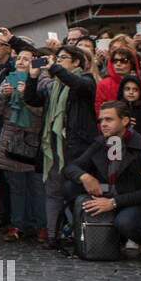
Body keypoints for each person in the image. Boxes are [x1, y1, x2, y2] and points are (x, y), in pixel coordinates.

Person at [24, 45, 99, 249]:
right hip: (55, 146)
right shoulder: (52, 86)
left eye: (63, 58)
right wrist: (32, 77)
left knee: (74, 191)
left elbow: (76, 83)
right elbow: (31, 99)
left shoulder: (86, 81)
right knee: (53, 190)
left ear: (77, 62)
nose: (58, 62)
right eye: (57, 58)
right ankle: (52, 236)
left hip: (78, 147)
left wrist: (55, 68)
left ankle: (83, 235)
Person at [62, 100, 141, 254]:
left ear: (125, 121)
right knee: (70, 187)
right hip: (107, 193)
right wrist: (84, 176)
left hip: (132, 201)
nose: (103, 124)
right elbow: (72, 167)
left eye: (109, 120)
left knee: (126, 222)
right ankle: (91, 230)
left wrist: (113, 202)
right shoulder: (101, 142)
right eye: (101, 120)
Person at [0, 49, 45, 243]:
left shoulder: (40, 81)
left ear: (35, 63)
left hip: (33, 139)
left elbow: (41, 110)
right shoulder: (10, 78)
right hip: (12, 140)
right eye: (19, 58)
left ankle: (42, 226)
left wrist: (23, 95)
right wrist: (3, 96)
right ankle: (19, 224)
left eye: (26, 59)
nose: (21, 61)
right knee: (16, 187)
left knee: (37, 188)